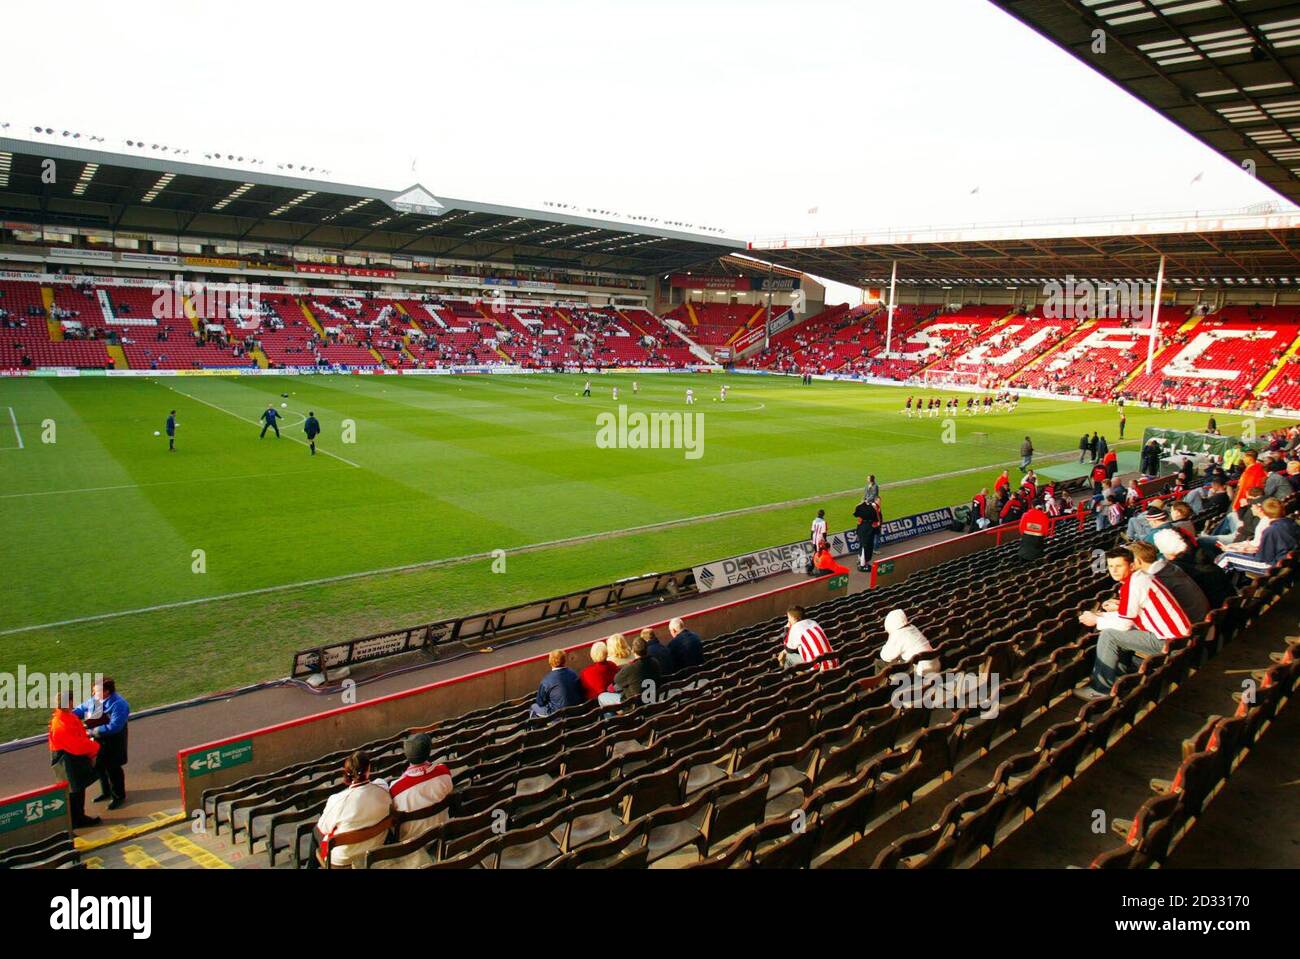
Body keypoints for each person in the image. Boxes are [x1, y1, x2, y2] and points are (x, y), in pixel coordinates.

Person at [1075, 547, 1192, 700]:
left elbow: (1124, 624)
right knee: (1116, 633)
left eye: (1119, 566)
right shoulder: (1141, 578)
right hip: (1176, 637)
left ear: (1131, 566)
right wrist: (1102, 615)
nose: (1114, 570)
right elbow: (1129, 616)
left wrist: (1096, 620)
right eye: (1111, 566)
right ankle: (1118, 676)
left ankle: (1101, 689)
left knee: (1109, 635)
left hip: (1169, 641)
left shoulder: (1134, 585)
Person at [378, 734, 453, 866]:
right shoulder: (444, 772)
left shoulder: (396, 789)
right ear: (429, 751)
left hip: (410, 843)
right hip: (441, 831)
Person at [314, 751, 393, 868]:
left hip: (343, 859)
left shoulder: (337, 800)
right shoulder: (383, 789)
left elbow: (323, 828)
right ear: (369, 769)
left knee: (315, 831)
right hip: (375, 848)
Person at [48, 691, 101, 828]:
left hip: (70, 757)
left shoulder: (64, 717)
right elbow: (77, 745)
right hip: (69, 759)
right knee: (75, 790)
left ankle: (78, 818)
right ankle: (77, 820)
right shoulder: (62, 723)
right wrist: (94, 748)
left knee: (76, 789)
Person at [75, 677, 129, 810]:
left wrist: (92, 732)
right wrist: (69, 716)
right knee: (100, 766)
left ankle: (118, 796)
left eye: (96, 692)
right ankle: (106, 792)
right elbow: (82, 708)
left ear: (107, 692)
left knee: (113, 768)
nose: (94, 695)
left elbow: (114, 727)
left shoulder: (119, 704)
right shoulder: (96, 699)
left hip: (114, 740)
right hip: (99, 738)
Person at [1153, 528, 1235, 610]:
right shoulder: (1203, 553)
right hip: (1231, 600)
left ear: (1166, 551)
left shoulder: (1177, 570)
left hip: (1217, 609)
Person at [1130, 540, 1209, 625]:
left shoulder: (1156, 580)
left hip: (1192, 623)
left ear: (1138, 561)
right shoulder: (1170, 567)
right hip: (1201, 616)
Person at [1216, 497, 1298, 576]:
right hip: (1287, 561)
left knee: (1226, 557)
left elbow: (1262, 558)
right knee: (1229, 555)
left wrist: (1240, 551)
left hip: (1271, 566)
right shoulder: (1290, 522)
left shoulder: (1270, 530)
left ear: (1264, 512)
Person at [600, 635, 662, 707]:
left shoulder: (630, 668)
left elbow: (616, 679)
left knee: (602, 697)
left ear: (633, 650)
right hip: (652, 699)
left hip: (634, 705)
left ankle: (614, 718)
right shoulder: (655, 662)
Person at [880, 609, 938, 676]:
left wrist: (889, 639)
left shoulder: (898, 635)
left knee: (880, 663)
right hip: (935, 663)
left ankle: (883, 685)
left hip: (922, 671)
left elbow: (885, 656)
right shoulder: (912, 627)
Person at [780, 606, 839, 670]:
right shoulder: (813, 622)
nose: (788, 620)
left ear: (795, 618)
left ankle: (788, 676)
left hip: (818, 668)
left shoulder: (795, 628)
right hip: (834, 661)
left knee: (788, 656)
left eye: (789, 618)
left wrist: (787, 629)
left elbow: (788, 649)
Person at [529, 649, 583, 718]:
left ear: (550, 661)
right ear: (564, 660)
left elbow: (540, 702)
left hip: (559, 717)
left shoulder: (546, 681)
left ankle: (537, 728)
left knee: (533, 707)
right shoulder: (573, 673)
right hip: (577, 711)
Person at [854, 495, 882, 569]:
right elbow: (877, 519)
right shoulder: (873, 507)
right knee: (866, 546)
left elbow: (856, 516)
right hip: (869, 528)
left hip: (862, 528)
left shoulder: (858, 507)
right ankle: (863, 564)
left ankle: (861, 561)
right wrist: (878, 525)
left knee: (862, 545)